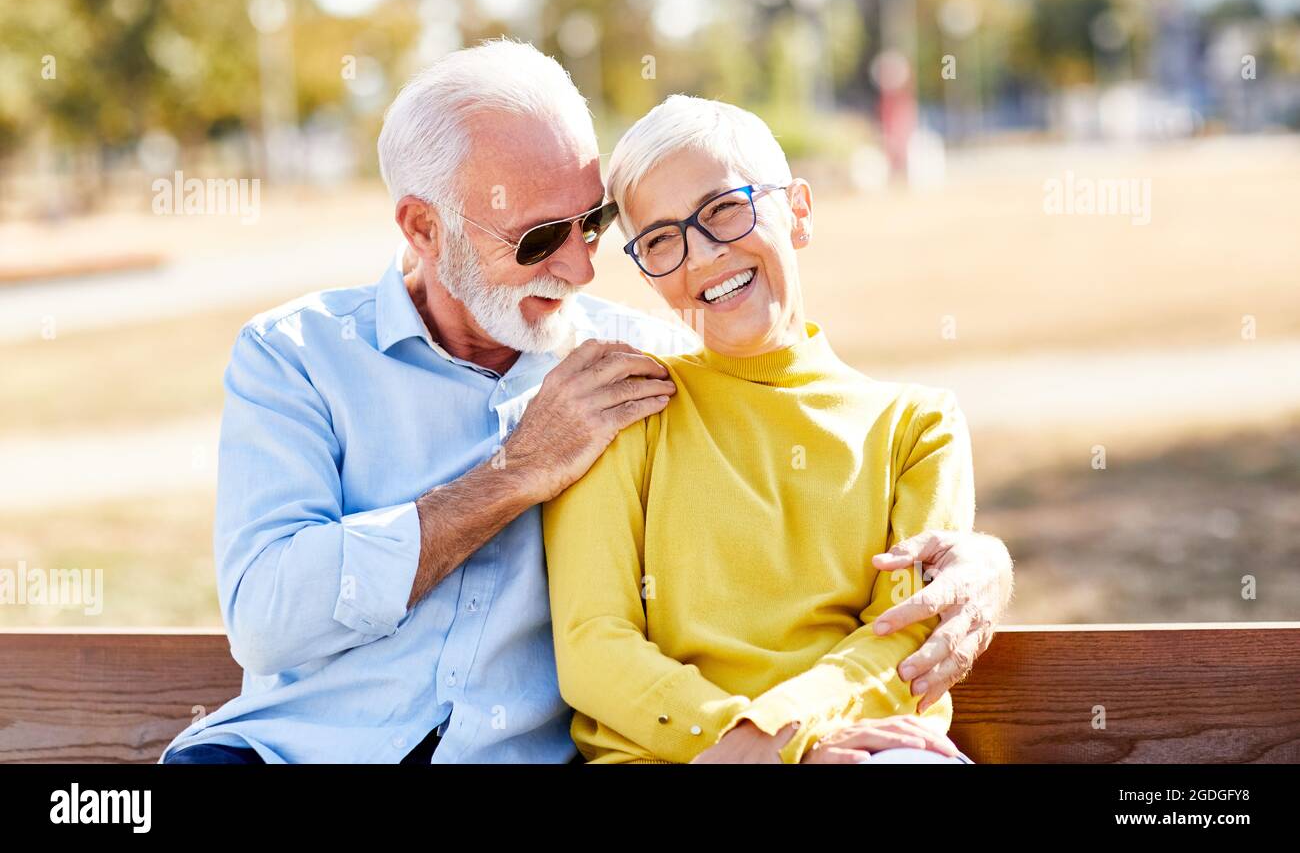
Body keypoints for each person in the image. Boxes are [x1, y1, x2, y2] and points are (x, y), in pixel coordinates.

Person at [161, 41, 1011, 764]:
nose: (579, 268)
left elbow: (782, 391)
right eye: (537, 239)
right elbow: (268, 618)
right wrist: (512, 475)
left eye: (593, 225)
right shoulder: (295, 356)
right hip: (290, 753)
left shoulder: (642, 365)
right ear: (423, 229)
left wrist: (986, 564)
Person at [543, 95, 989, 764]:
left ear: (799, 211)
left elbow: (905, 636)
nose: (704, 256)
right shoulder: (624, 409)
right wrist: (758, 748)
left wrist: (774, 736)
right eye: (662, 240)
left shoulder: (916, 427)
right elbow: (592, 644)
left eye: (724, 209)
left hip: (861, 749)